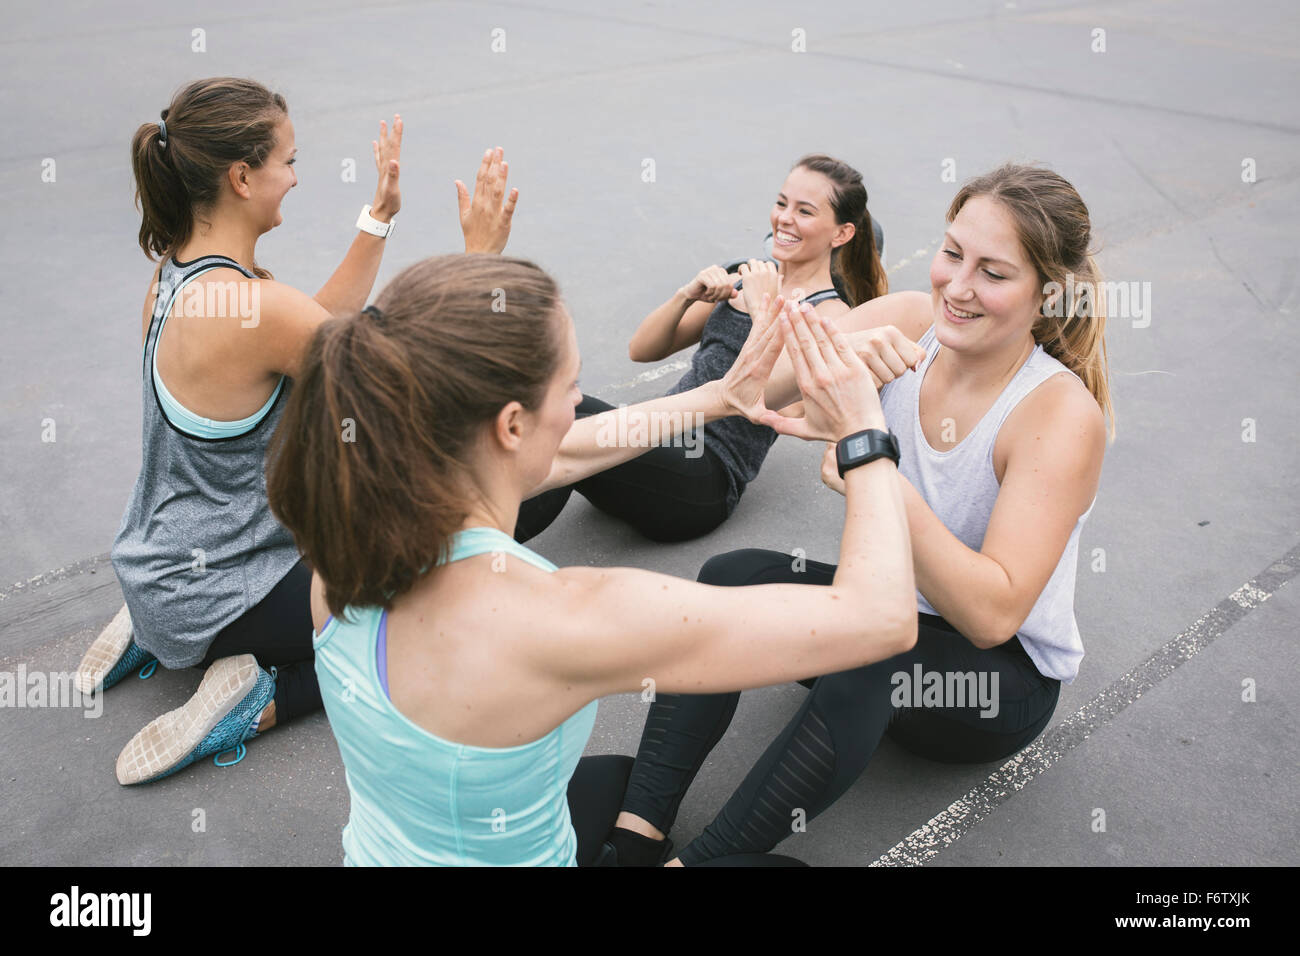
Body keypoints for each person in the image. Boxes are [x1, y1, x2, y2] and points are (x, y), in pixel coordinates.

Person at [264, 252, 921, 865]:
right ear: (512, 426)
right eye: (571, 384)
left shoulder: (350, 541)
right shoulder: (564, 617)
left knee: (616, 780)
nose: (581, 401)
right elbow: (880, 618)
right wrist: (866, 434)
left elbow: (577, 447)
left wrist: (724, 395)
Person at [607, 162, 1113, 866]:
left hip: (998, 679)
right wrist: (829, 361)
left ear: (1046, 295)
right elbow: (757, 399)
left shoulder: (1057, 415)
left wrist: (866, 450)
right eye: (951, 252)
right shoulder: (908, 319)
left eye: (994, 274)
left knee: (874, 654)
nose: (957, 287)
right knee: (730, 575)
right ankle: (635, 834)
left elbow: (992, 615)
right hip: (889, 614)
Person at [75, 76, 519, 786]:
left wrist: (378, 217)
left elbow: (312, 336)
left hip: (159, 565)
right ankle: (263, 696)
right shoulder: (255, 307)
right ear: (243, 176)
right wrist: (480, 264)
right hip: (224, 594)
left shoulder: (175, 278)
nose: (295, 177)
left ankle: (151, 627)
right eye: (287, 160)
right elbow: (394, 378)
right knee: (460, 559)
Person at [513, 154, 887, 544]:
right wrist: (686, 297)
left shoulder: (832, 316)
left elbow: (769, 401)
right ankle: (482, 539)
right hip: (659, 435)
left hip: (704, 478)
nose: (785, 218)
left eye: (805, 211)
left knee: (569, 416)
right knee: (560, 416)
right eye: (781, 203)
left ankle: (478, 549)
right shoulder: (745, 275)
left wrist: (764, 311)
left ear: (841, 234)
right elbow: (641, 350)